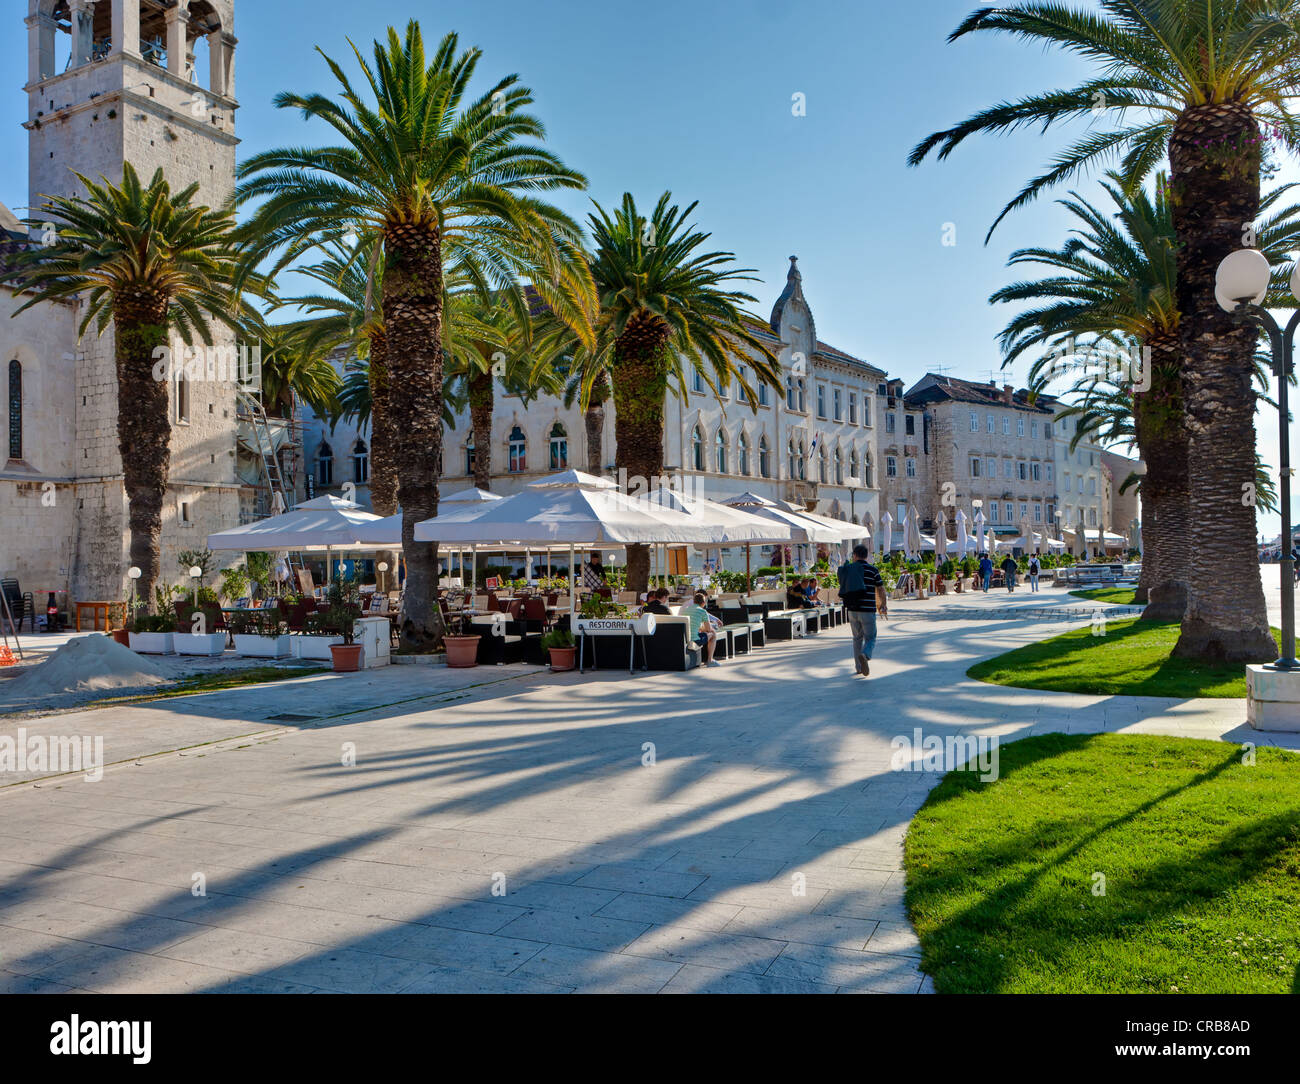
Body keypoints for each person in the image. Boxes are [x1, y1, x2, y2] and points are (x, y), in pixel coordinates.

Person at [837, 544, 887, 677]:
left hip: (852, 610)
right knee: (871, 637)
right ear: (866, 556)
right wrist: (883, 605)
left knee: (857, 638)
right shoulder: (872, 570)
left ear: (854, 555)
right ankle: (865, 655)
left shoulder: (849, 569)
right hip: (868, 610)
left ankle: (859, 668)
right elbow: (881, 589)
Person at [681, 591, 720, 667]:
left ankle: (707, 659)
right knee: (713, 634)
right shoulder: (702, 611)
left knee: (705, 633)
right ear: (703, 603)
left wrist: (702, 629)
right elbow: (708, 629)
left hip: (685, 637)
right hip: (695, 639)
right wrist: (710, 628)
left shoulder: (686, 610)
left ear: (694, 601)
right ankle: (710, 660)